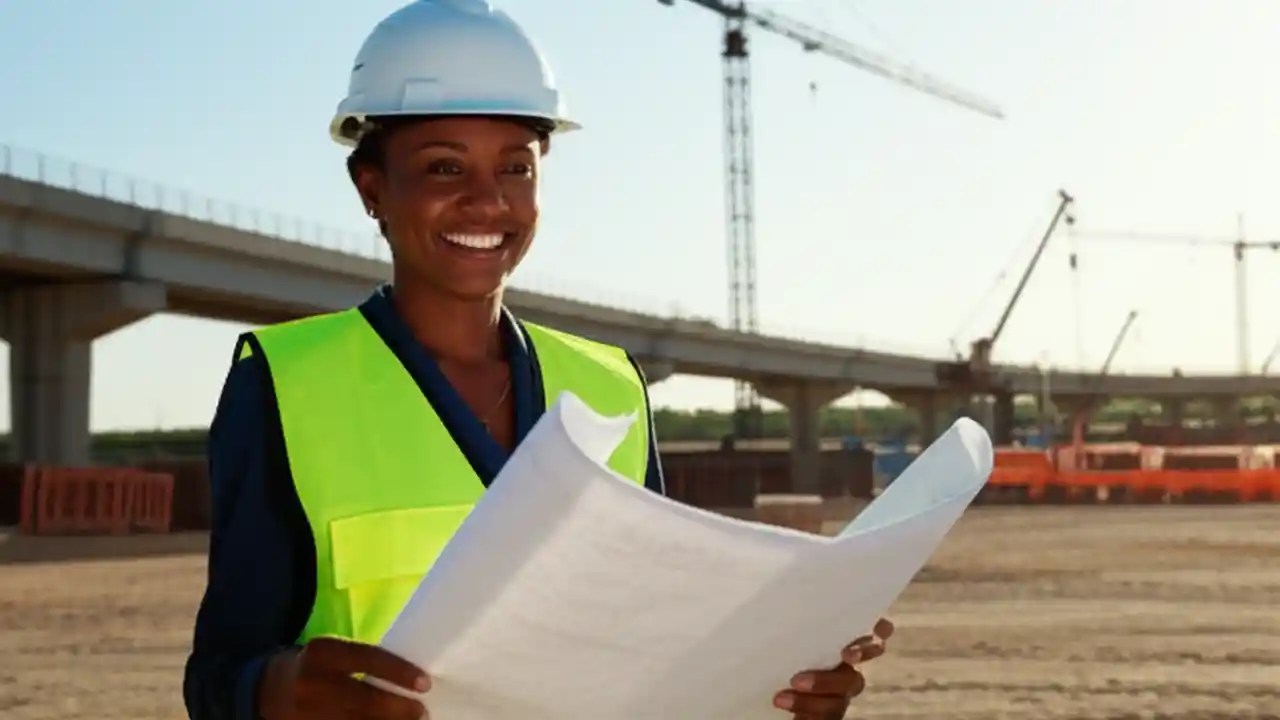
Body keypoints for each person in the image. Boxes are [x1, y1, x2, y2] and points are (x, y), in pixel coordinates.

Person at [182, 1, 893, 718]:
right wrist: (274, 692)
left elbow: (655, 652)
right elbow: (219, 676)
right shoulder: (285, 384)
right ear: (373, 190)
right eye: (443, 167)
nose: (487, 201)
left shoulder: (610, 386)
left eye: (516, 168)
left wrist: (779, 686)